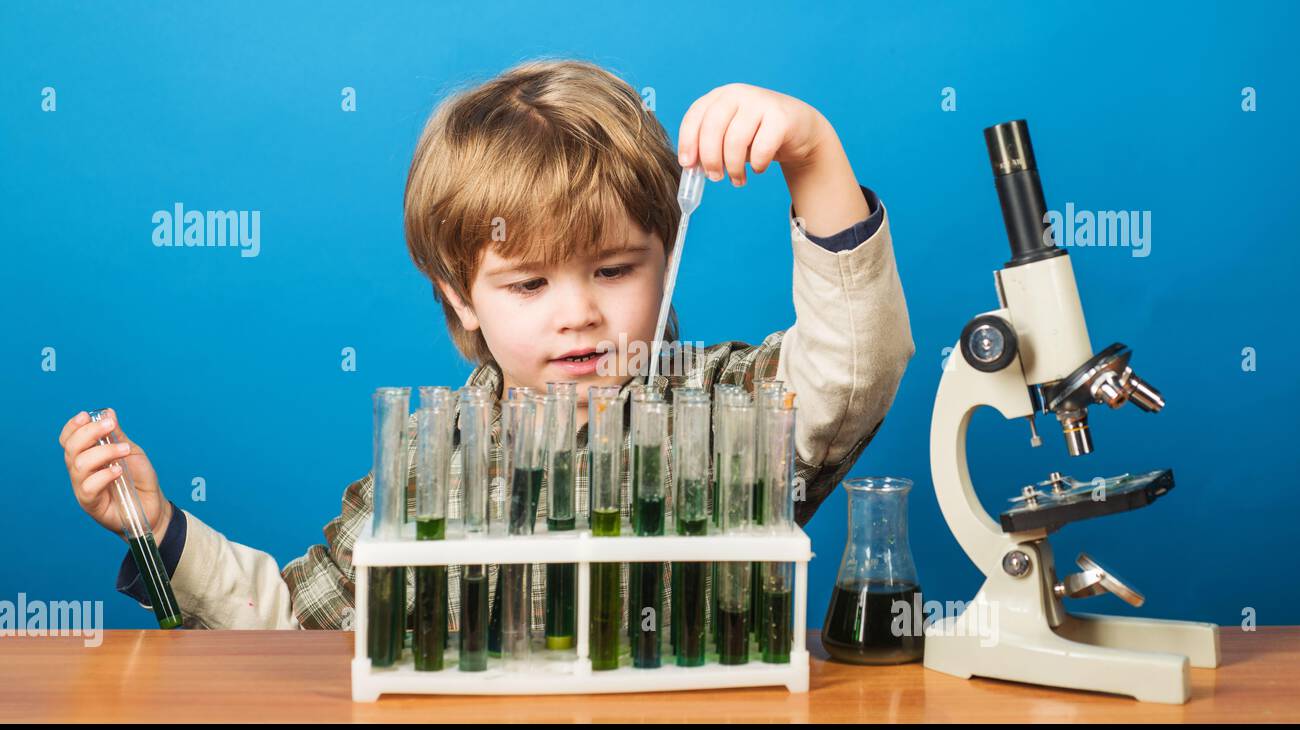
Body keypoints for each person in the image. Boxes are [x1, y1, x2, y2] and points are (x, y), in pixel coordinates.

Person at [58, 59, 914, 630]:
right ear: (461, 298)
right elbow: (302, 623)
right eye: (529, 283)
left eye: (614, 269)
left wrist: (811, 154)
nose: (576, 314)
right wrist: (159, 525)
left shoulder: (724, 408)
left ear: (667, 256)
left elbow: (854, 369)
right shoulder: (432, 459)